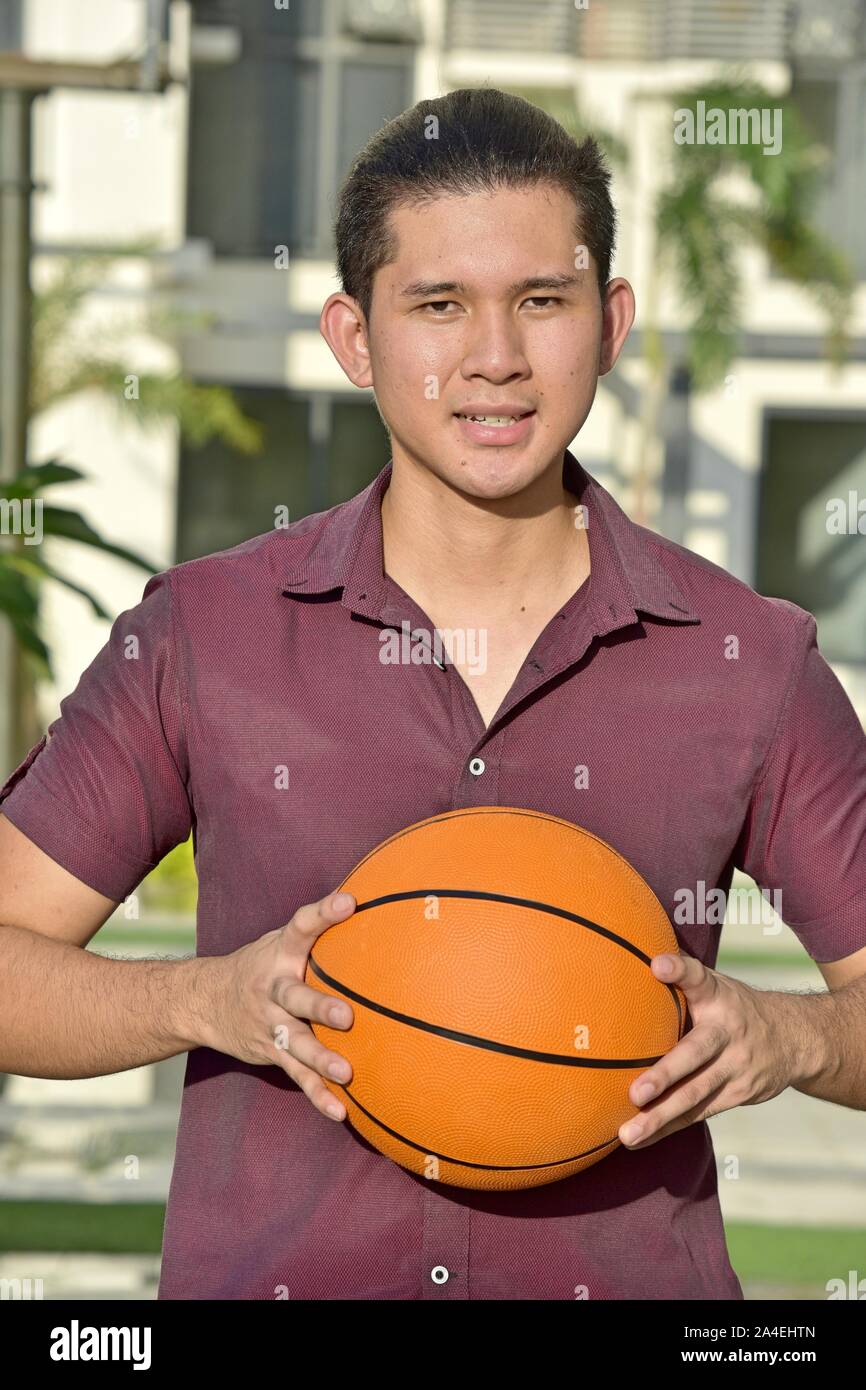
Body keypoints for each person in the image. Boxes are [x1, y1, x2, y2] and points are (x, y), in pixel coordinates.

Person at [1, 87, 865, 1301]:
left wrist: (794, 1036)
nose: (494, 357)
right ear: (354, 336)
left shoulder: (747, 660)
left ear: (610, 322)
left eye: (541, 301)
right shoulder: (203, 635)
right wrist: (209, 998)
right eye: (439, 304)